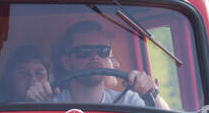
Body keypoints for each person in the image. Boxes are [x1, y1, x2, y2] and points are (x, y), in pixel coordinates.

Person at [25, 20, 165, 108]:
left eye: (102, 51)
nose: (95, 57)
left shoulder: (128, 102)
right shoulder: (50, 105)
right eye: (84, 52)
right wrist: (31, 101)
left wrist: (152, 92)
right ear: (67, 62)